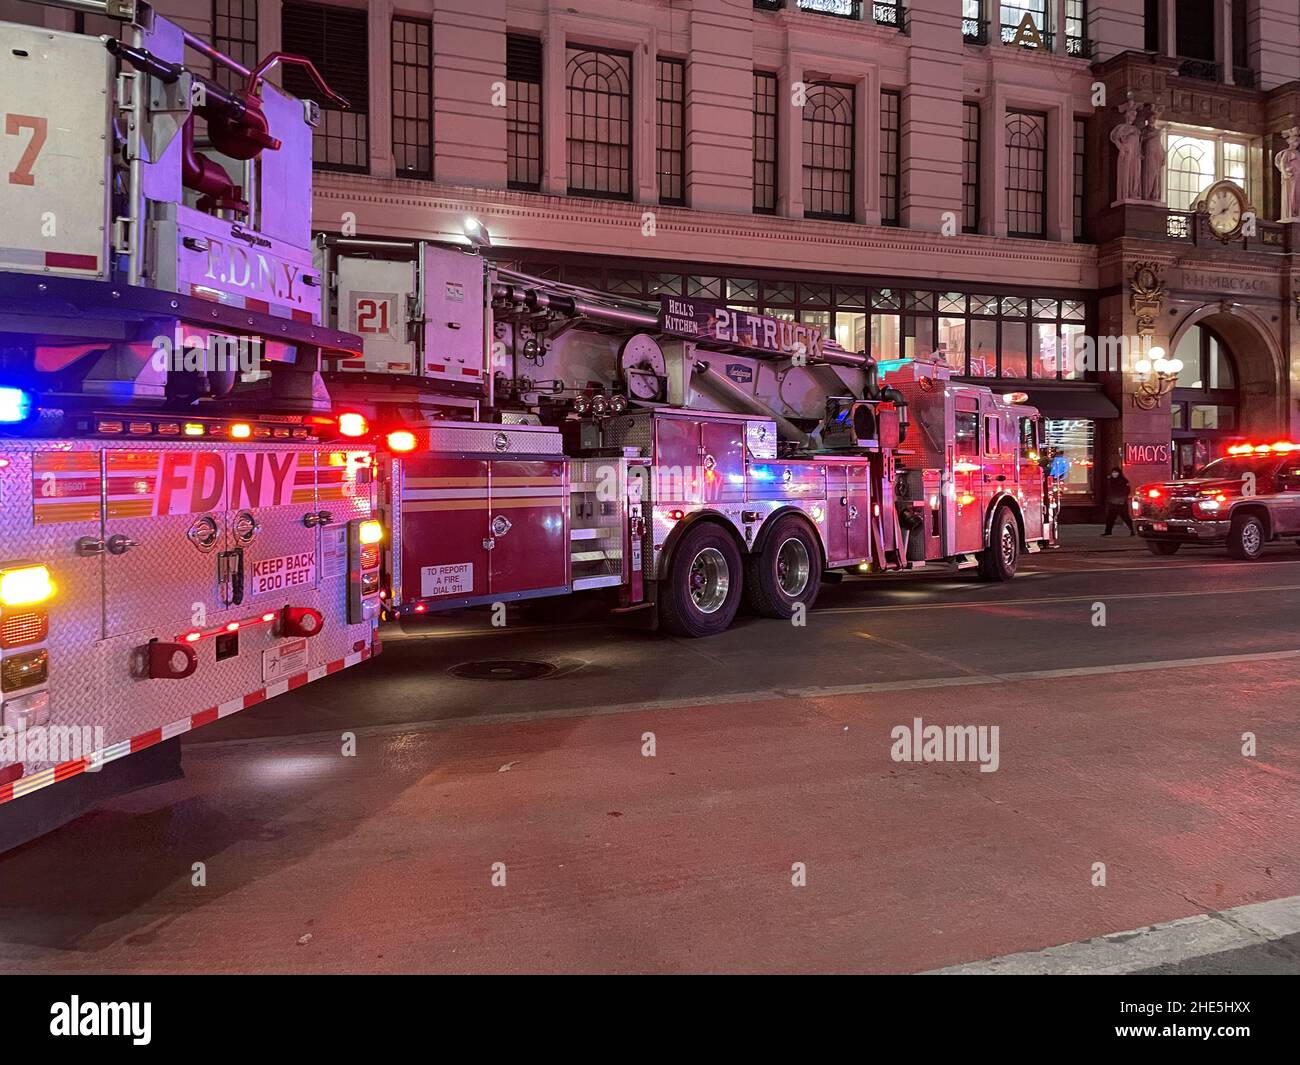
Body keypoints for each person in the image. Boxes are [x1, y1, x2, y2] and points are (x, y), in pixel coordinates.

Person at [1102, 466, 1135, 536]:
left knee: (1125, 517)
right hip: (1112, 502)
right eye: (1113, 472)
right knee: (1110, 518)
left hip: (1121, 503)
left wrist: (1122, 500)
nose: (1114, 474)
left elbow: (1126, 491)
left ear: (1119, 473)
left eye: (1116, 472)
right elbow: (1108, 490)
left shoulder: (1124, 481)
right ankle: (1108, 532)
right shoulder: (1110, 480)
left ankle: (1132, 530)